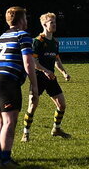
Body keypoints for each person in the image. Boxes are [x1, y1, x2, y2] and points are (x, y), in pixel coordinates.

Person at [0, 6, 39, 167]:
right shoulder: (23, 35)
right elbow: (28, 62)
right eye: (26, 18)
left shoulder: (2, 36)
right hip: (8, 82)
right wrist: (34, 85)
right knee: (10, 122)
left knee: (0, 121)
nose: (27, 21)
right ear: (21, 20)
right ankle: (5, 160)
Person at [22, 12, 71, 142]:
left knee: (62, 105)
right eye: (51, 23)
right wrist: (45, 71)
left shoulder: (55, 42)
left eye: (55, 22)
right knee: (32, 105)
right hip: (37, 77)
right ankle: (25, 133)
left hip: (51, 77)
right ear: (44, 24)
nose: (54, 25)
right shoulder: (38, 41)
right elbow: (33, 62)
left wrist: (64, 72)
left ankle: (56, 129)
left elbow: (57, 60)